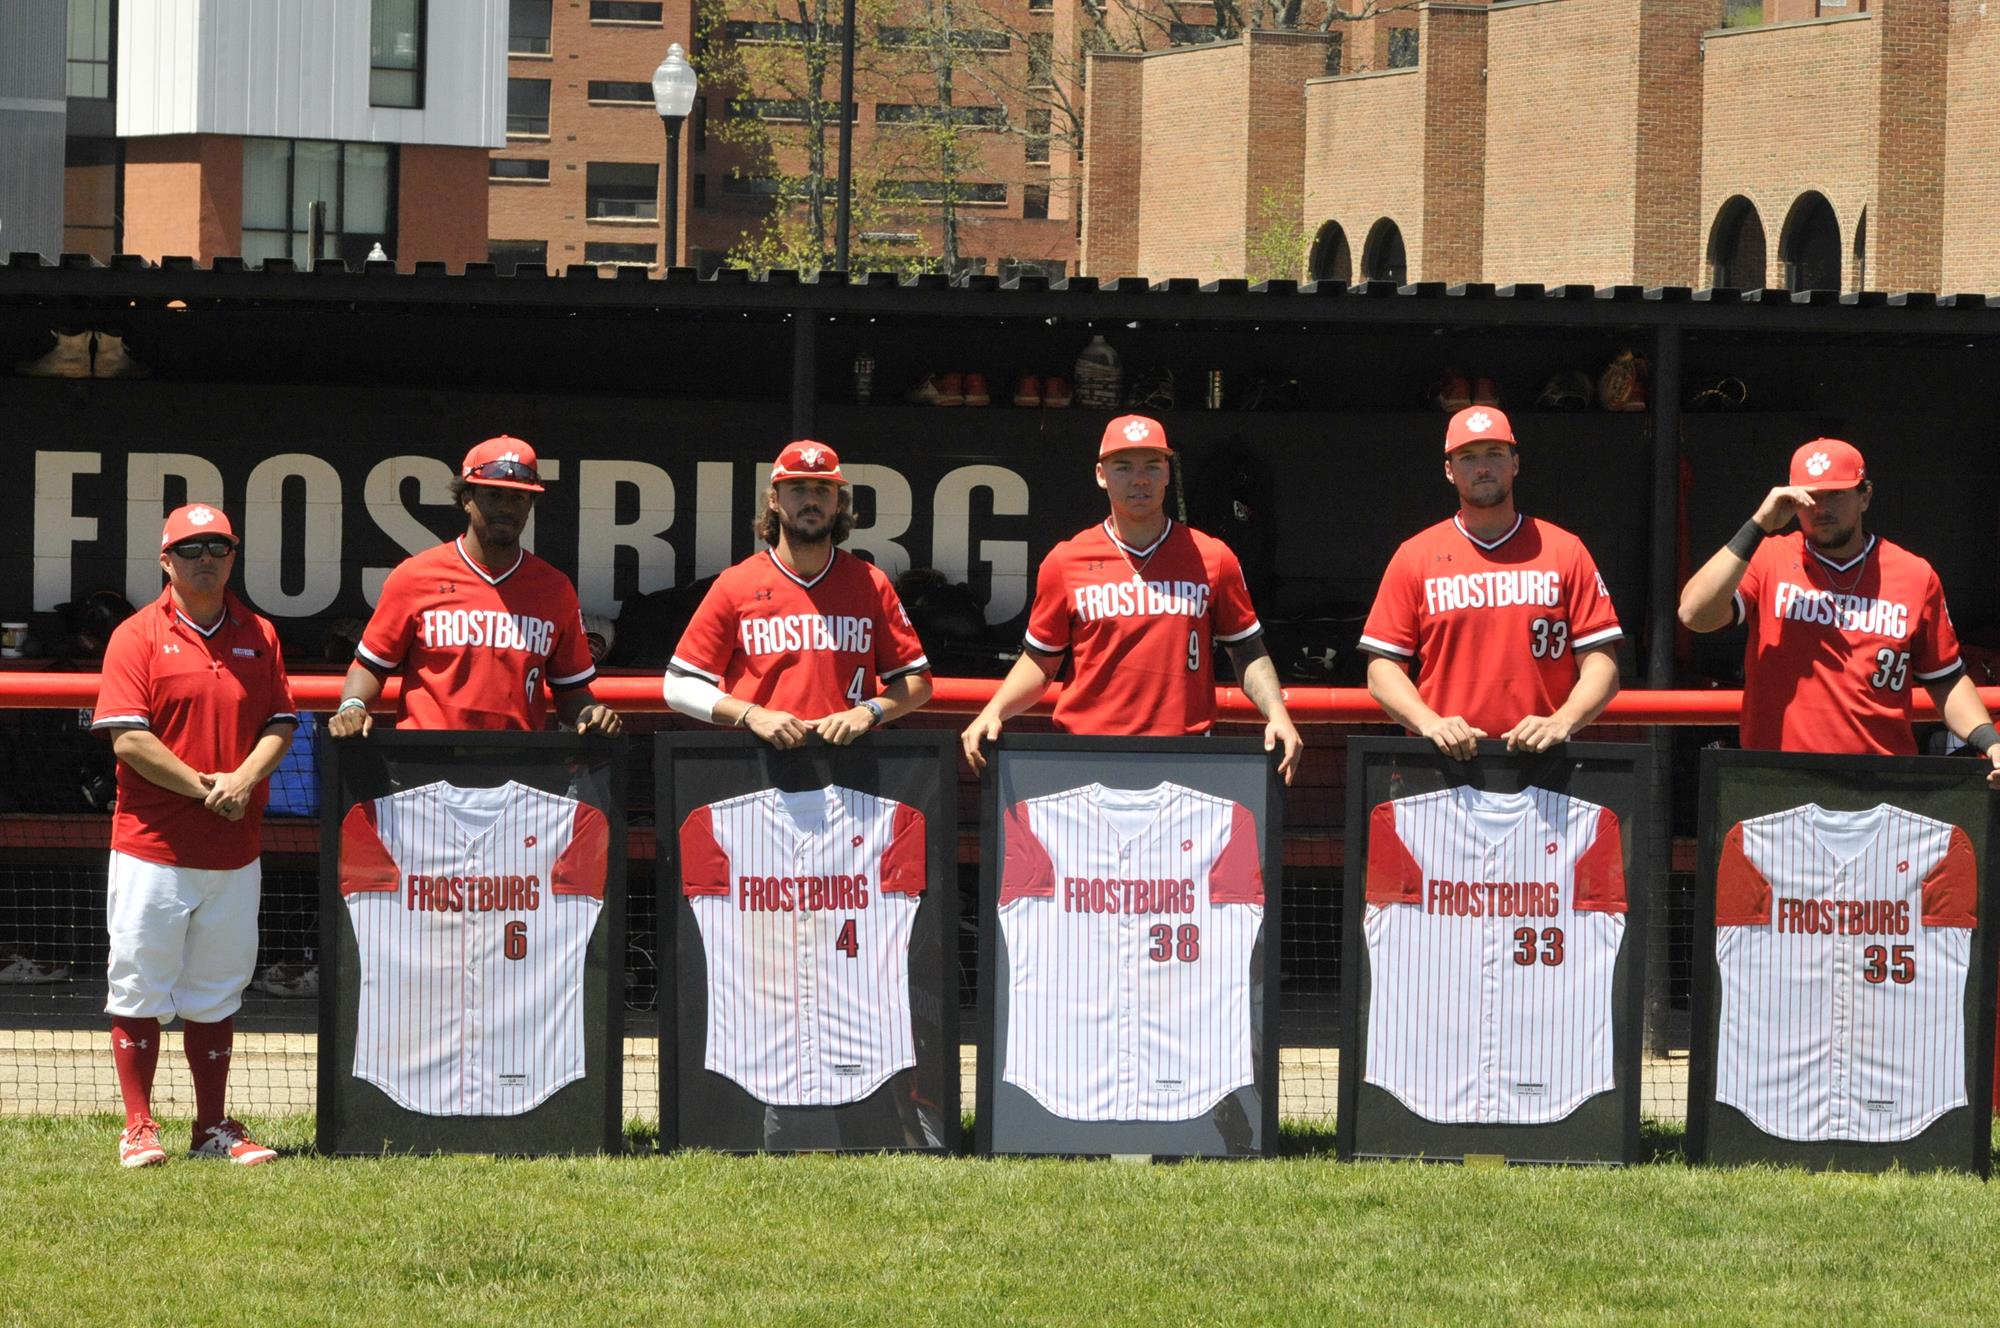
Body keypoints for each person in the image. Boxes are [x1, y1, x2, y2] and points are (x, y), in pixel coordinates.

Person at [90, 504, 298, 1167]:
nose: (205, 558)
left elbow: (281, 722)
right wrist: (210, 787)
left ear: (234, 556)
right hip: (153, 845)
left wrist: (241, 781)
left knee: (216, 991)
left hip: (235, 851)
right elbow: (128, 739)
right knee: (139, 986)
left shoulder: (260, 633)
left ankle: (213, 1129)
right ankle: (139, 1126)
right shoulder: (136, 635)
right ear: (165, 560)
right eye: (190, 548)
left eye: (218, 546)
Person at [960, 414, 1303, 782]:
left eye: (1152, 466)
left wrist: (1277, 714)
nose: (1140, 479)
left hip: (1185, 758)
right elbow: (1041, 662)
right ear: (1100, 474)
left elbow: (1247, 652)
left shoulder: (1213, 557)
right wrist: (993, 710)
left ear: (1168, 474)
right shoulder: (1065, 560)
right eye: (1123, 467)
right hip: (1088, 757)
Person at [1677, 436, 2000, 778]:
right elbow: (1694, 615)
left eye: (1836, 494)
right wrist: (1757, 524)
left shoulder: (1914, 574)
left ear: (1865, 496)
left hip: (1880, 781)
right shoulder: (1769, 557)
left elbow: (1945, 678)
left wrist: (1991, 742)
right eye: (1809, 496)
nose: (1821, 508)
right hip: (1777, 780)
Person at [1360, 405, 1624, 759]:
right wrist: (1429, 721)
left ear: (1515, 463)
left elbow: (1602, 665)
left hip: (1544, 762)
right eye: (1467, 457)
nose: (1482, 467)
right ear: (1449, 471)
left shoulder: (1565, 550)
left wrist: (1563, 721)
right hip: (1440, 764)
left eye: (1494, 453)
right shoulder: (1415, 556)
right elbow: (1382, 669)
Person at [328, 435, 621, 738]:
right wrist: (352, 705)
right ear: (467, 499)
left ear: (530, 505)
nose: (507, 507)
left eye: (518, 497)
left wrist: (590, 713)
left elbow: (572, 690)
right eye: (494, 495)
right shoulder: (415, 576)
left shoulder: (554, 589)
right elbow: (370, 665)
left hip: (519, 764)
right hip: (426, 760)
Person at [664, 440, 932, 746]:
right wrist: (751, 714)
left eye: (823, 489)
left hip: (850, 764)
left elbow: (917, 682)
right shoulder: (736, 583)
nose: (811, 500)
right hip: (759, 766)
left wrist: (869, 712)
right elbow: (679, 685)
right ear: (775, 501)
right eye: (798, 488)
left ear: (839, 503)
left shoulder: (870, 582)